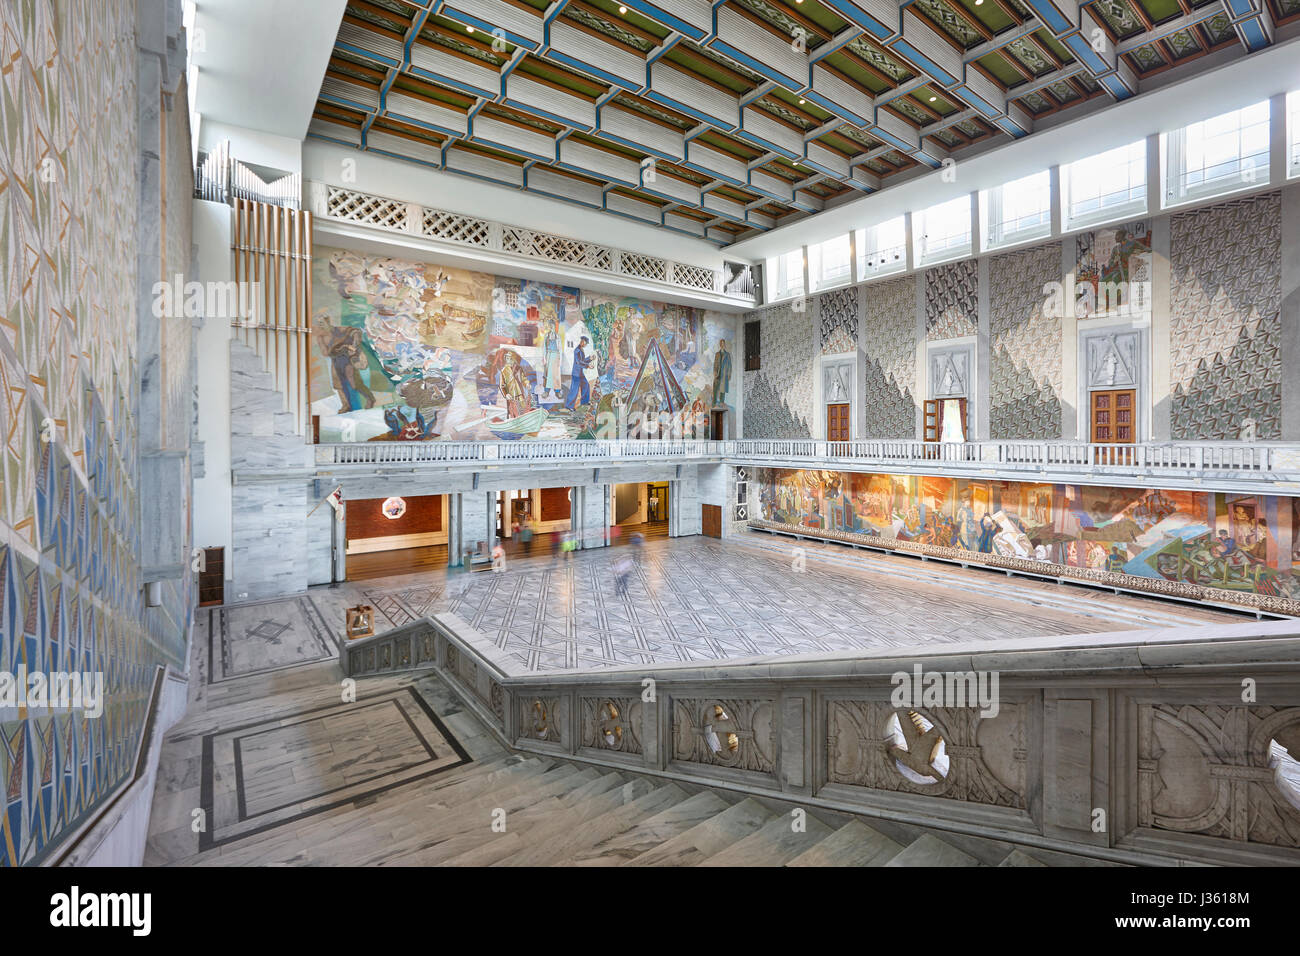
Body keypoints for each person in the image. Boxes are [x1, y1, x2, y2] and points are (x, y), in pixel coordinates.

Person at [565, 336, 595, 409]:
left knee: (586, 385)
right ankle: (569, 406)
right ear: (582, 342)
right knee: (574, 390)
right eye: (585, 343)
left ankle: (584, 402)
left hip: (580, 373)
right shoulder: (577, 350)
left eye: (586, 343)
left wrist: (589, 359)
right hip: (576, 374)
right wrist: (588, 366)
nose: (585, 345)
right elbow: (579, 362)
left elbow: (583, 360)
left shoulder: (581, 350)